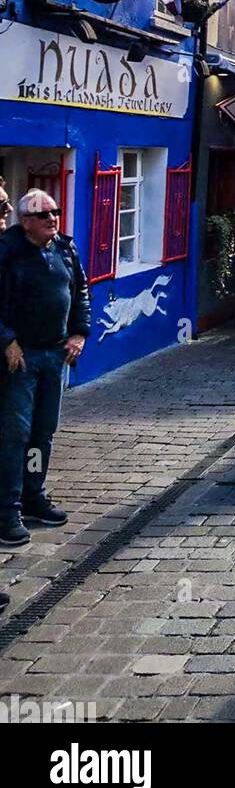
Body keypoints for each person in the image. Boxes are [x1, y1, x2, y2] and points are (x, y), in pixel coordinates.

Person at [0, 189, 91, 548]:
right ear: (26, 222)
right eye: (43, 215)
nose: (52, 219)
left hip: (55, 355)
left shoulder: (64, 249)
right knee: (15, 435)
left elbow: (80, 291)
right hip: (21, 358)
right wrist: (7, 338)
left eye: (54, 212)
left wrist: (79, 333)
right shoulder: (8, 253)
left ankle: (34, 494)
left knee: (42, 433)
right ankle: (8, 509)